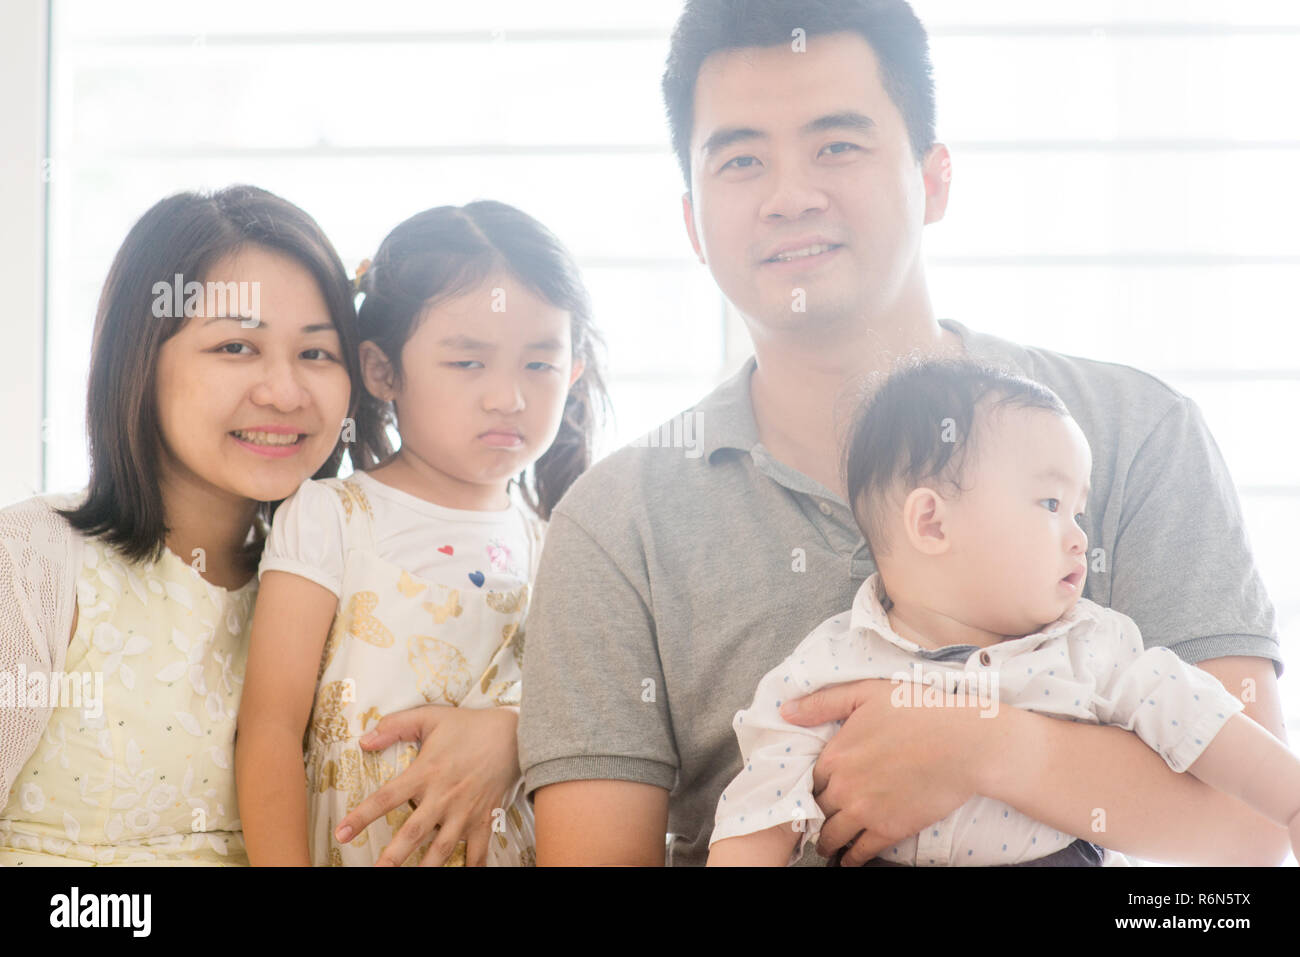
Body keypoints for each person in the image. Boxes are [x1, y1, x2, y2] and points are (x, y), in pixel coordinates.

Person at [517, 0, 1290, 866]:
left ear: (933, 179)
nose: (790, 197)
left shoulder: (1135, 431)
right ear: (693, 223)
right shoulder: (616, 524)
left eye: (837, 145)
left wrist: (993, 746)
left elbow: (1257, 839)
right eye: (739, 160)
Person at [706, 360, 1300, 866]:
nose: (1077, 537)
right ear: (932, 522)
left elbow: (1202, 722)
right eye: (1050, 503)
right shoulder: (829, 665)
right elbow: (762, 805)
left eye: (1079, 512)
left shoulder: (1094, 647)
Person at [234, 202, 609, 866]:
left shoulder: (558, 546)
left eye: (540, 365)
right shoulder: (331, 516)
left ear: (573, 370)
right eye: (468, 363)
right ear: (382, 370)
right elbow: (269, 728)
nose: (508, 397)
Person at [0, 185, 364, 864]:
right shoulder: (30, 561)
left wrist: (501, 733)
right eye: (235, 347)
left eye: (316, 353)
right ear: (139, 359)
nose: (284, 391)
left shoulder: (339, 587)